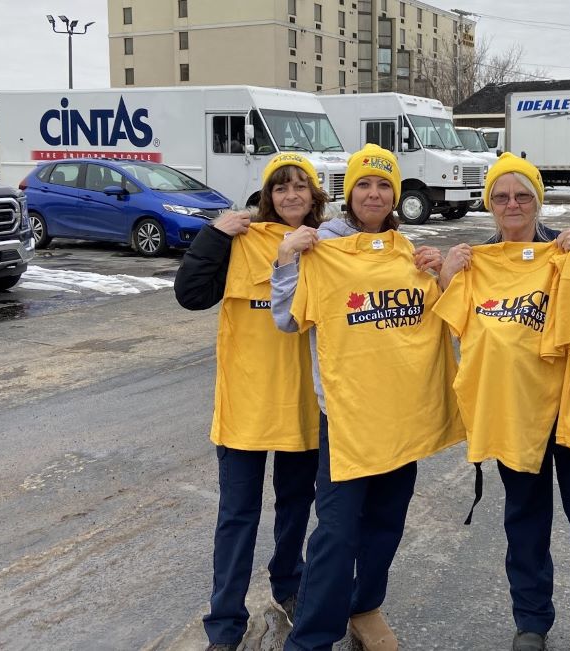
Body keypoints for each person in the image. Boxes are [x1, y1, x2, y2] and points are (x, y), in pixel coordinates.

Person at [435, 153, 570, 651]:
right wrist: (445, 277)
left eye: (523, 195)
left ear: (537, 201)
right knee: (524, 519)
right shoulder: (477, 262)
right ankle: (530, 622)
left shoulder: (569, 254)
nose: (513, 204)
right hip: (515, 412)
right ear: (490, 205)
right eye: (501, 197)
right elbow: (445, 327)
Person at [271, 144, 463, 651]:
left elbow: (451, 321)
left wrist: (440, 276)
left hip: (404, 411)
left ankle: (365, 606)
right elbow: (288, 319)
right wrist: (287, 260)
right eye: (363, 184)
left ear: (394, 194)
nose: (373, 193)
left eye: (383, 185)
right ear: (349, 192)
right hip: (348, 414)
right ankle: (312, 637)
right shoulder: (323, 249)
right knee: (336, 532)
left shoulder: (408, 252)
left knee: (386, 523)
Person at [174, 152, 328, 651]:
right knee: (237, 515)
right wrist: (215, 235)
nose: (290, 196)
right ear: (267, 196)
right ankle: (224, 622)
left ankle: (289, 584)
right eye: (280, 188)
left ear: (314, 195)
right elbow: (190, 294)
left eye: (300, 187)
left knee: (295, 507)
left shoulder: (327, 246)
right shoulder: (240, 243)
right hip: (244, 404)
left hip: (304, 403)